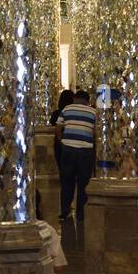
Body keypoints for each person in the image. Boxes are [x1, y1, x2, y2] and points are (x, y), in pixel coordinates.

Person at [56, 88, 97, 221]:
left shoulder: (66, 109)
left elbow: (58, 127)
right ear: (88, 100)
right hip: (86, 151)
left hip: (68, 149)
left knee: (67, 182)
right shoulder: (93, 112)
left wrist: (62, 141)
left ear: (75, 98)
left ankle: (65, 211)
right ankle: (81, 214)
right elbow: (96, 133)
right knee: (83, 183)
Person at [49, 89, 75, 173]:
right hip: (72, 141)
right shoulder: (73, 113)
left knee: (62, 168)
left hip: (59, 142)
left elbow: (52, 122)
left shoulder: (57, 113)